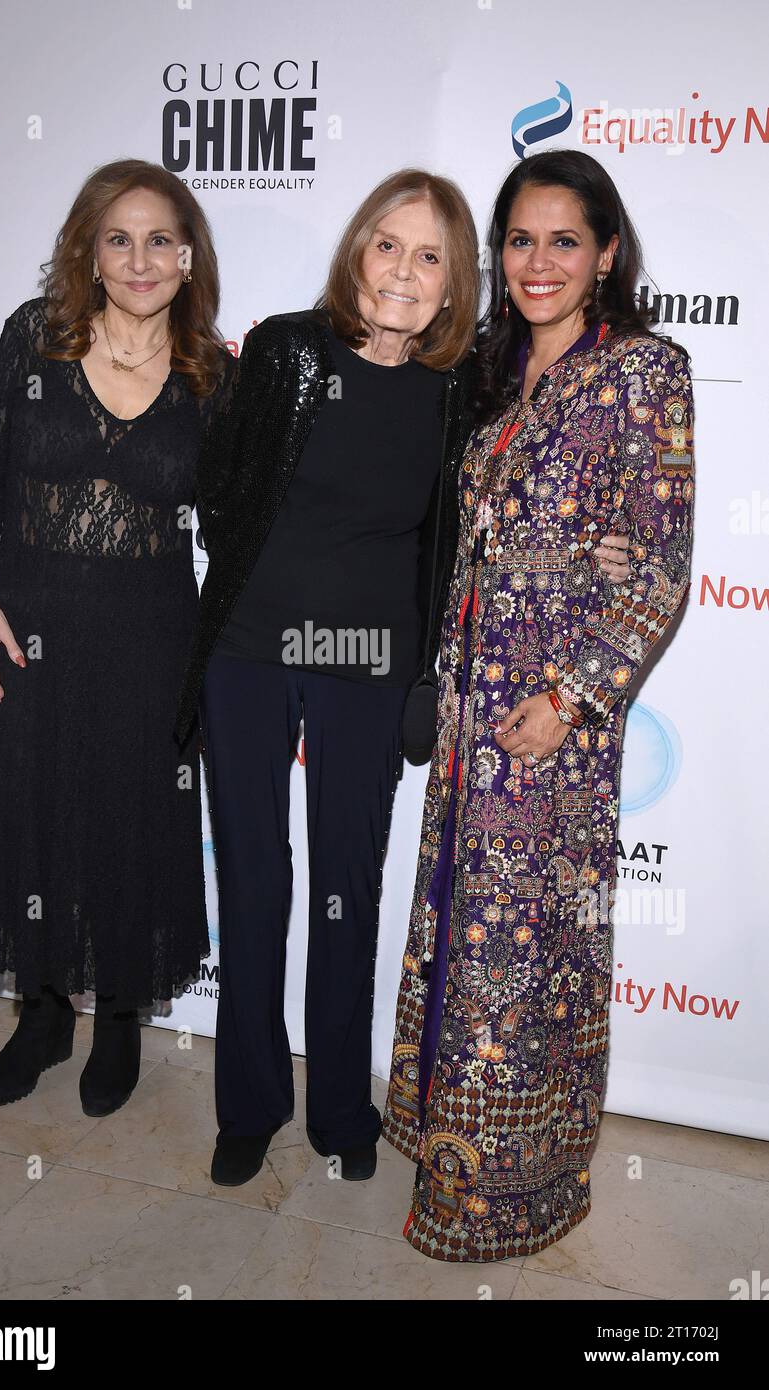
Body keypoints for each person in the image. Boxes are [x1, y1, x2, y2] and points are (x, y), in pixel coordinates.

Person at [173, 167, 631, 1188]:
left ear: (452, 282)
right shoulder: (287, 350)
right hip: (250, 653)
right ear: (356, 251)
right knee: (255, 882)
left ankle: (340, 1104)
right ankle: (249, 1104)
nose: (404, 271)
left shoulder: (459, 388)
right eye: (389, 245)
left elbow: (506, 503)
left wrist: (601, 547)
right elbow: (218, 489)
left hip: (368, 668)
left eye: (431, 256)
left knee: (345, 886)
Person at [383, 149, 695, 1261]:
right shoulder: (488, 374)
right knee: (466, 948)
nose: (538, 261)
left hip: (554, 724)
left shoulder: (645, 372)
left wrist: (570, 698)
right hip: (474, 712)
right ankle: (452, 1166)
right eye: (519, 239)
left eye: (564, 239)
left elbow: (659, 565)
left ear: (606, 253)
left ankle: (518, 1189)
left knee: (526, 958)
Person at [0, 159, 232, 1116]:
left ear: (188, 253)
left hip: (152, 630)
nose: (140, 258)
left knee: (131, 820)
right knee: (31, 808)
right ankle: (41, 1015)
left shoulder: (212, 373)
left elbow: (245, 520)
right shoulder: (34, 338)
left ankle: (118, 1018)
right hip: (30, 622)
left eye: (160, 238)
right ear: (89, 249)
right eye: (118, 238)